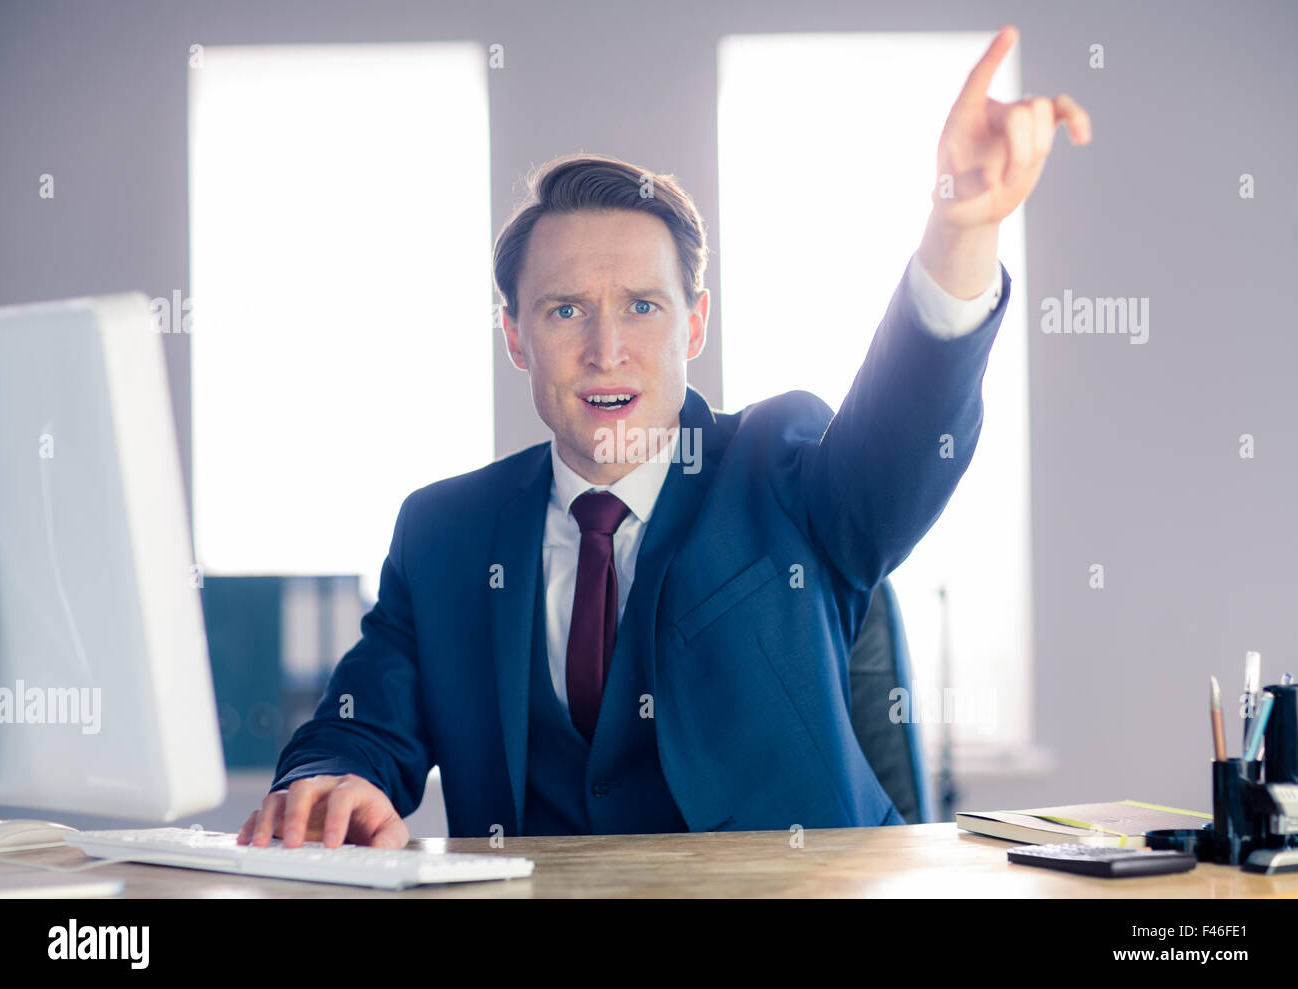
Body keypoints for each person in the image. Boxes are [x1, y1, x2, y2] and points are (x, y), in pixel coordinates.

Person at [239, 25, 1090, 848]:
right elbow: (360, 724)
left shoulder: (780, 469)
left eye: (642, 307)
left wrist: (960, 231)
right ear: (515, 337)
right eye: (565, 309)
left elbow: (902, 443)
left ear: (694, 326)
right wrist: (331, 778)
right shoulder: (444, 532)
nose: (606, 350)